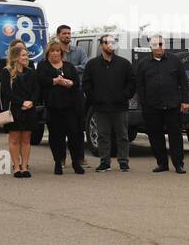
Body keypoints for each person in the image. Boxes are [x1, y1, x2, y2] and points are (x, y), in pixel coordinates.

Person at [135, 34, 189, 174]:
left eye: (160, 44)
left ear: (164, 45)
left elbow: (183, 81)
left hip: (172, 105)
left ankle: (179, 164)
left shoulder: (175, 61)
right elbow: (139, 85)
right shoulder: (143, 64)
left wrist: (185, 100)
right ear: (151, 47)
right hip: (152, 106)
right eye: (155, 44)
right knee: (155, 136)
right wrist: (144, 102)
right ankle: (162, 163)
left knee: (175, 135)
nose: (158, 47)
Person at [81, 34, 135, 172]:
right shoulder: (92, 64)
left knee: (122, 136)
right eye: (106, 42)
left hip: (120, 107)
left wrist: (125, 96)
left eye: (112, 42)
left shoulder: (124, 64)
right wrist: (95, 98)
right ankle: (105, 162)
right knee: (103, 136)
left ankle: (123, 161)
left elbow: (132, 82)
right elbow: (86, 84)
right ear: (101, 45)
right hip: (100, 107)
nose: (109, 45)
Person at [37, 40, 85, 174]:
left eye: (58, 51)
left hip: (71, 106)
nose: (55, 53)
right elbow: (40, 81)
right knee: (56, 136)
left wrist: (70, 83)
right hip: (53, 107)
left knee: (74, 134)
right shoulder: (43, 66)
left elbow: (76, 82)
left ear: (61, 53)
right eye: (52, 51)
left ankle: (76, 162)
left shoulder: (69, 66)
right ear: (48, 53)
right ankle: (58, 161)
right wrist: (54, 81)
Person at [0, 41, 41, 178]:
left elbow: (37, 89)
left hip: (29, 109)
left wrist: (31, 102)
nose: (26, 57)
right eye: (23, 55)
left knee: (26, 139)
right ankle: (16, 167)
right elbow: (6, 92)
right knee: (15, 139)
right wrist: (21, 102)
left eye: (26, 55)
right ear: (16, 57)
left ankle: (25, 167)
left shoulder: (30, 72)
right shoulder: (6, 72)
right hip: (15, 109)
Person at [57, 24, 90, 168]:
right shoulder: (54, 51)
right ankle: (61, 159)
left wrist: (67, 69)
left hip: (77, 93)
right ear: (58, 35)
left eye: (69, 33)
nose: (67, 36)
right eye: (64, 33)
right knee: (60, 129)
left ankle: (80, 158)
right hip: (58, 95)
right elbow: (50, 67)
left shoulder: (79, 51)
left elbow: (85, 65)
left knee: (77, 128)